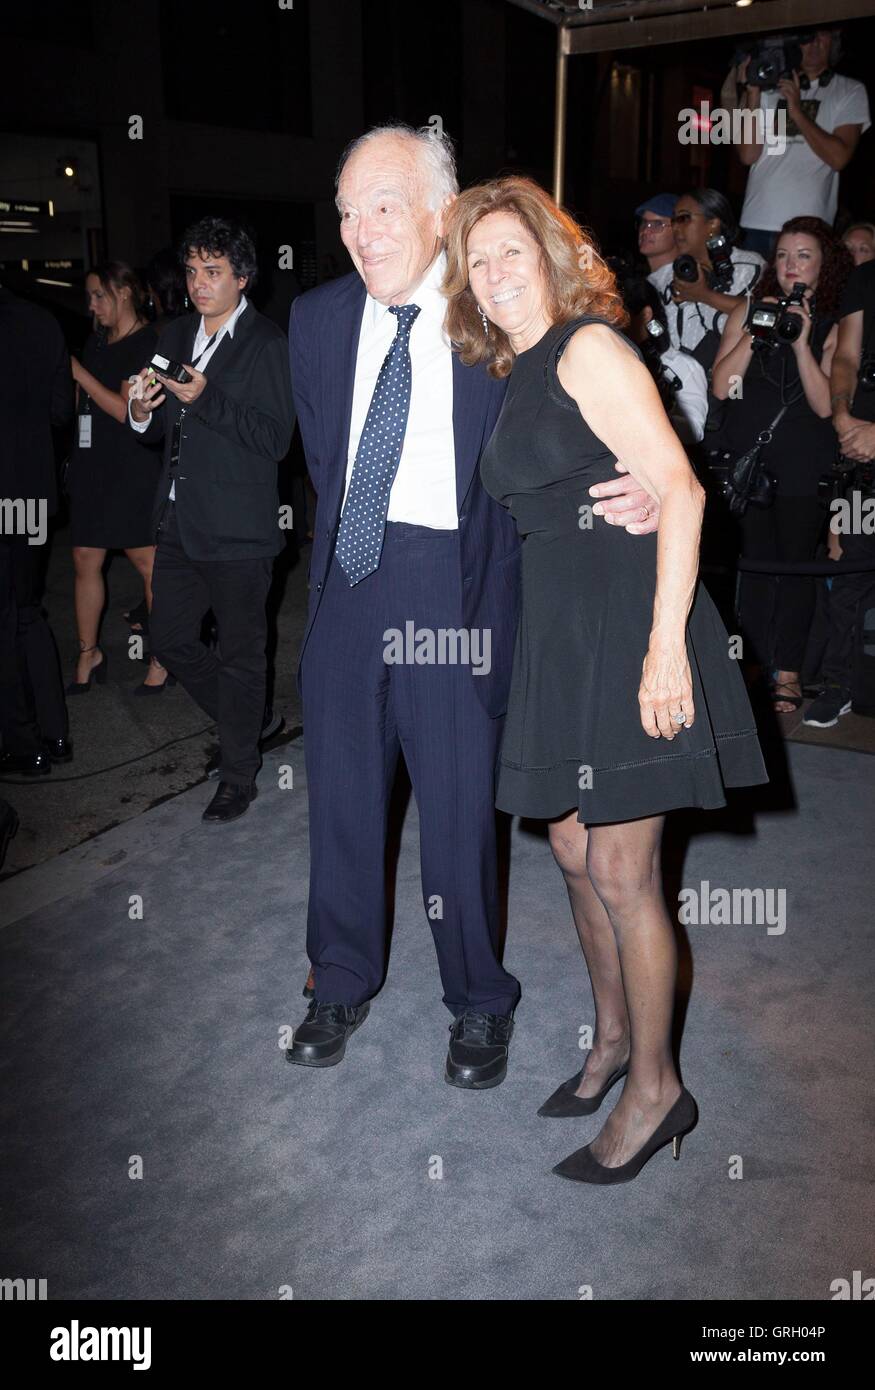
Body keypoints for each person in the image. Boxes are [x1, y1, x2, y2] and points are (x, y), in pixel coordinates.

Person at [286, 124, 660, 1085]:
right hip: (344, 583)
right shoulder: (315, 320)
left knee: (457, 809)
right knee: (341, 799)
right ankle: (338, 977)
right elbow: (322, 462)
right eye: (347, 213)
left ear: (438, 212)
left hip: (451, 588)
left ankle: (479, 999)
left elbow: (574, 409)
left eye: (383, 207)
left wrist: (646, 485)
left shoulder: (489, 313)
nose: (361, 231)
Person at [444, 175, 767, 1184]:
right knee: (571, 849)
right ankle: (613, 1039)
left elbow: (679, 489)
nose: (493, 272)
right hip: (562, 634)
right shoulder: (517, 366)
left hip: (629, 623)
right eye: (476, 260)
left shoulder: (586, 346)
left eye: (509, 250)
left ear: (549, 254)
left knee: (623, 870)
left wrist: (666, 648)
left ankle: (658, 1090)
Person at [129, 218, 294, 822]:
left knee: (242, 655)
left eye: (214, 272)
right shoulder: (175, 333)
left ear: (242, 278)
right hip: (178, 521)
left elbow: (275, 439)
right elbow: (157, 428)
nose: (200, 283)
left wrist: (206, 399)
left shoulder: (267, 343)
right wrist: (140, 411)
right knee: (170, 639)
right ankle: (246, 721)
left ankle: (239, 773)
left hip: (239, 530)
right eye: (194, 271)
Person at [712, 217, 852, 714]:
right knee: (751, 569)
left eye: (804, 256)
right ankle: (749, 671)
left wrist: (800, 341)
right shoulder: (749, 308)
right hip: (749, 466)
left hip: (803, 464)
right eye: (785, 255)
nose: (792, 265)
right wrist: (756, 331)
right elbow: (722, 387)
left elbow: (823, 405)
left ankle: (788, 673)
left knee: (794, 571)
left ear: (823, 265)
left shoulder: (836, 323)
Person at [66, 262, 169, 694]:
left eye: (99, 295)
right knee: (84, 557)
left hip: (131, 466)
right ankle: (88, 653)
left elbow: (127, 412)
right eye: (89, 297)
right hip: (92, 463)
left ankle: (162, 656)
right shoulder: (96, 342)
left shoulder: (148, 344)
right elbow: (84, 404)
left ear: (124, 292)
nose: (92, 306)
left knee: (147, 563)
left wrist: (79, 374)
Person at [0, 284, 73, 775]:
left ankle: (23, 744)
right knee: (25, 609)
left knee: (5, 617)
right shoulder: (41, 320)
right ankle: (55, 732)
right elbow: (60, 411)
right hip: (29, 491)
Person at [735, 28, 870, 258]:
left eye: (822, 34)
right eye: (807, 36)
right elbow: (748, 155)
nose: (814, 42)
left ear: (833, 41)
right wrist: (753, 93)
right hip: (757, 221)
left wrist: (796, 111)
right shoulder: (768, 85)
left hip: (810, 227)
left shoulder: (850, 90)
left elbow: (838, 158)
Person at [811, 257, 875, 726]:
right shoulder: (867, 277)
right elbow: (847, 356)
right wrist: (841, 414)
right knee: (850, 573)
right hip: (859, 457)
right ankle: (838, 684)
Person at [650, 189, 764, 370]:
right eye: (674, 221)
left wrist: (703, 295)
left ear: (713, 223)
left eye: (684, 218)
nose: (676, 228)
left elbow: (760, 313)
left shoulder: (748, 265)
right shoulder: (664, 276)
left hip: (728, 378)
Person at [619, 272, 708, 445]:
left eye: (620, 316)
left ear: (646, 314)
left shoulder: (681, 365)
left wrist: (649, 417)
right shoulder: (605, 362)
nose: (611, 325)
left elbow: (694, 430)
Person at [635, 195, 677, 274]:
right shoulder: (650, 279)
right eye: (644, 223)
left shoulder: (682, 281)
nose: (645, 231)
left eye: (657, 224)